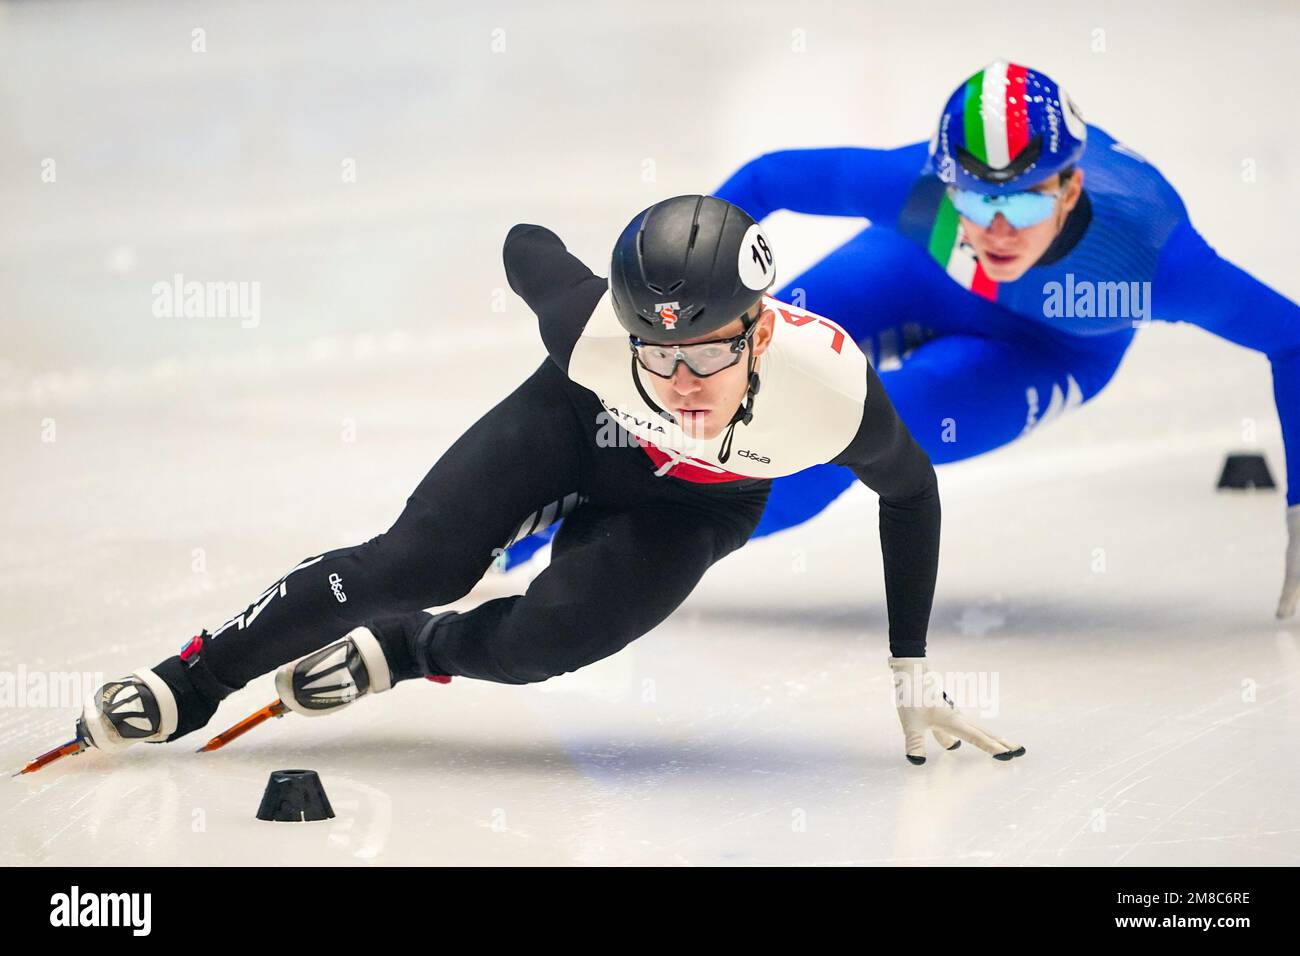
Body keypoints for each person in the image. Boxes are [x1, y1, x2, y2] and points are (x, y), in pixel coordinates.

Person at [65, 196, 1022, 769]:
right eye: (659, 352)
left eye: (707, 358)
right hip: (576, 426)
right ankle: (192, 680)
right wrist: (609, 312)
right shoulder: (592, 333)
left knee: (541, 647)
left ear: (761, 332)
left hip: (700, 504)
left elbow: (911, 494)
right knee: (410, 561)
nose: (683, 385)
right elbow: (528, 244)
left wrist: (909, 666)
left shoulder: (831, 395)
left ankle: (409, 652)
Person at [503, 61, 1300, 619]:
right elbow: (771, 178)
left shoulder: (1155, 261)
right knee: (749, 354)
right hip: (918, 269)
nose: (992, 231)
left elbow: (1290, 340)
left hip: (1050, 350)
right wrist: (681, 293)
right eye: (971, 201)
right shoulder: (920, 194)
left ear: (1071, 186)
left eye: (1021, 208)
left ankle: (628, 542)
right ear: (942, 178)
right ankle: (545, 498)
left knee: (853, 428)